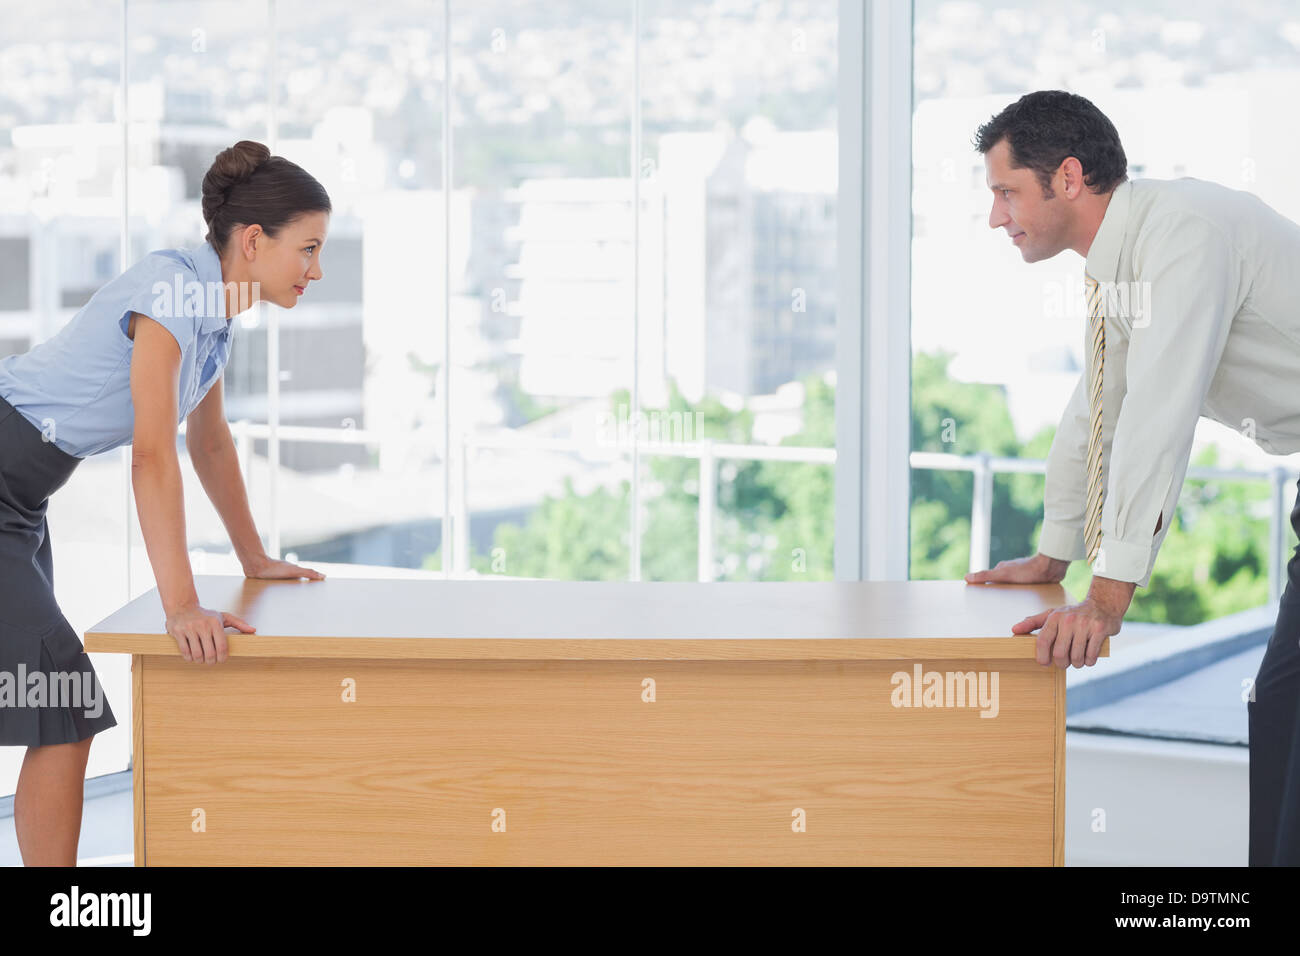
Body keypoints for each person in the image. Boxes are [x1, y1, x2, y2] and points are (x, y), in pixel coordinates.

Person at [960, 90, 1300, 866]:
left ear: (1068, 177)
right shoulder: (1122, 264)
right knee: (1282, 708)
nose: (995, 217)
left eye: (1005, 191)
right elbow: (1099, 410)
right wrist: (1053, 555)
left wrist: (1109, 598)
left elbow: (1159, 415)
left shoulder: (1181, 235)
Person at [0, 139, 330, 865]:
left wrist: (255, 558)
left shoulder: (214, 317)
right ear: (252, 241)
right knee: (61, 703)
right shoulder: (170, 291)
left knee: (48, 702)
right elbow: (153, 454)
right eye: (306, 249)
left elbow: (209, 445)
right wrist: (180, 605)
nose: (316, 269)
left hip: (22, 498)